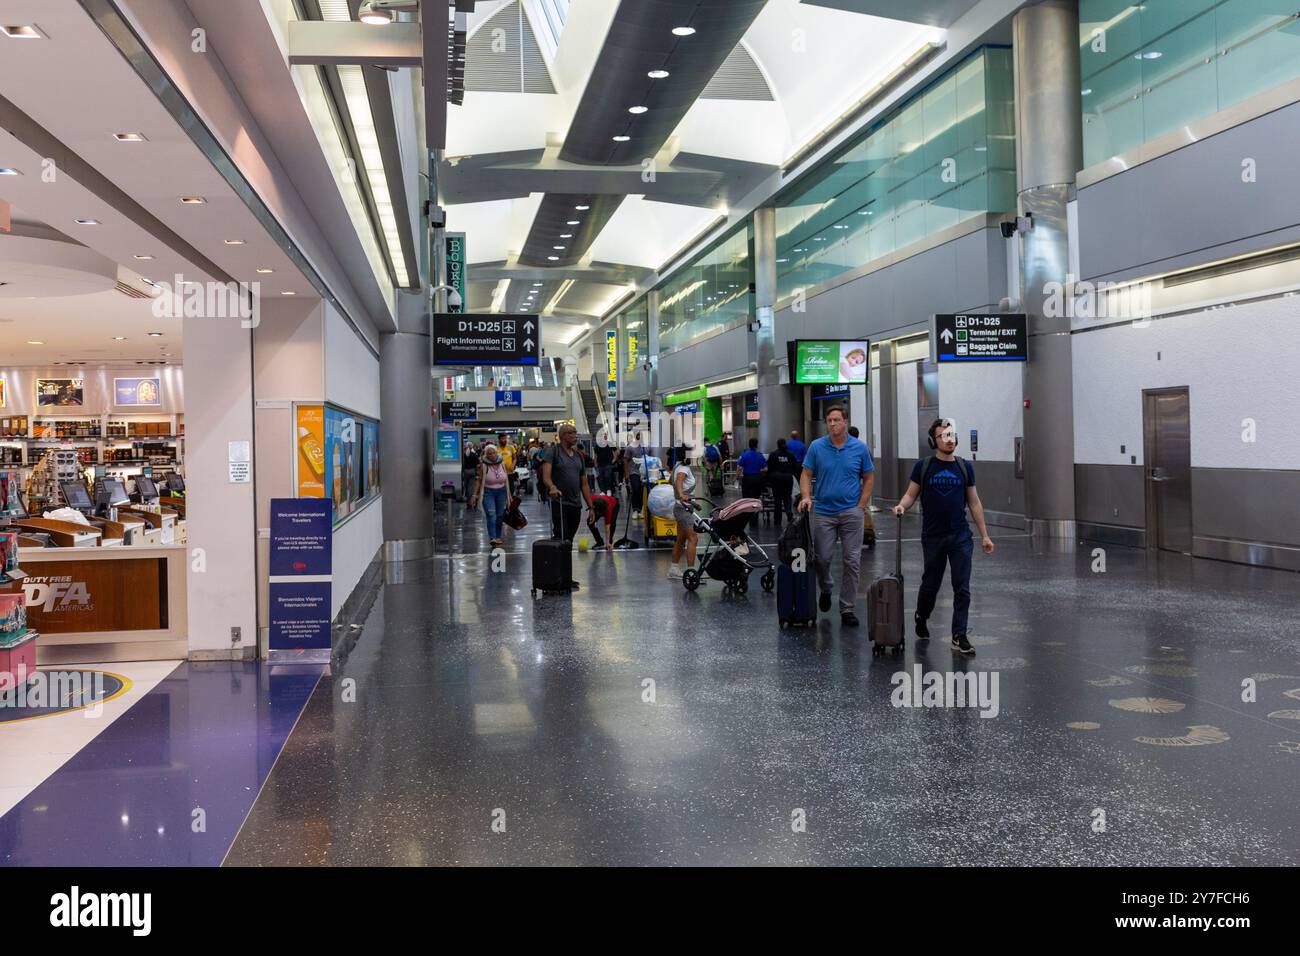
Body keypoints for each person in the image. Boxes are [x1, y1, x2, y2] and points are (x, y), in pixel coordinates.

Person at [892, 418, 995, 657]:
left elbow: (974, 502)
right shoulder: (924, 466)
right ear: (933, 440)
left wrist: (985, 536)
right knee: (931, 583)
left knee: (962, 587)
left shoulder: (964, 467)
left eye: (951, 435)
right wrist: (901, 506)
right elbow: (910, 495)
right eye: (943, 436)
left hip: (960, 536)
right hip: (933, 536)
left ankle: (959, 635)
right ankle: (922, 614)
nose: (949, 440)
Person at [797, 405, 874, 627]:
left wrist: (861, 504)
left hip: (852, 512)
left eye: (836, 420)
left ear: (845, 422)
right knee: (822, 558)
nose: (832, 424)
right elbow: (806, 474)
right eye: (829, 420)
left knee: (852, 561)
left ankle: (847, 608)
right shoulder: (817, 447)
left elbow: (868, 477)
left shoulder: (859, 448)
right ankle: (827, 587)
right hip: (824, 512)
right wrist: (806, 496)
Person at [542, 425, 594, 587]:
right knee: (561, 538)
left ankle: (565, 576)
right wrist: (552, 487)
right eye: (571, 433)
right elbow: (546, 476)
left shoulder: (579, 456)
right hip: (559, 502)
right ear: (563, 436)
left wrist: (590, 506)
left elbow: (584, 484)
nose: (575, 436)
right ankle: (556, 577)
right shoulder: (554, 452)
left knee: (569, 541)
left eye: (575, 432)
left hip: (575, 504)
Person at [666, 455, 701, 581]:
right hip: (683, 508)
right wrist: (681, 494)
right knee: (693, 538)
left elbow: (671, 480)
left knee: (681, 539)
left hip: (682, 506)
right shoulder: (684, 468)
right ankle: (691, 573)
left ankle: (674, 569)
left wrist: (692, 502)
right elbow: (678, 481)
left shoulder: (677, 466)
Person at [469, 443, 510, 548]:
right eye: (489, 454)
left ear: (497, 453)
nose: (492, 455)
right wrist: (474, 495)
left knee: (500, 516)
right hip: (488, 492)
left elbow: (506, 480)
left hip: (501, 492)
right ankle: (492, 538)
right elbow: (478, 481)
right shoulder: (483, 465)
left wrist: (509, 495)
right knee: (492, 515)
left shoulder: (502, 463)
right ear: (486, 455)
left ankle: (498, 536)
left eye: (494, 453)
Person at [766, 437, 799, 528]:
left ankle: (777, 520)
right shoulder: (790, 455)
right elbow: (795, 467)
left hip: (776, 479)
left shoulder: (773, 454)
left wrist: (769, 478)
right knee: (787, 497)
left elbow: (769, 467)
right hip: (787, 478)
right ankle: (788, 512)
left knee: (778, 499)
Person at [737, 437, 767, 502]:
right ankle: (755, 511)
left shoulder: (744, 455)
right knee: (756, 497)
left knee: (746, 498)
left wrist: (737, 477)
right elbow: (766, 469)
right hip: (757, 478)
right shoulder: (760, 455)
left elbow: (739, 467)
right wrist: (759, 470)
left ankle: (748, 511)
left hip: (747, 479)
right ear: (757, 445)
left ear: (749, 445)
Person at [625, 430, 646, 520]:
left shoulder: (645, 447)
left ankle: (640, 509)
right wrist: (626, 474)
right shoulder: (630, 448)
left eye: (640, 434)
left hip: (643, 473)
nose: (639, 436)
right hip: (633, 471)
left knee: (642, 491)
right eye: (637, 434)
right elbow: (625, 461)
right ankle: (635, 510)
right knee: (636, 489)